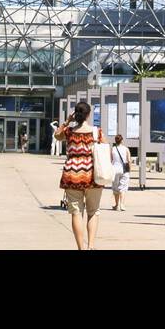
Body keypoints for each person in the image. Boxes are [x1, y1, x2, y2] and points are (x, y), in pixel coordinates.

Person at [54, 100, 105, 249]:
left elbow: (57, 135)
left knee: (76, 213)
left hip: (72, 175)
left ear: (76, 114)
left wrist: (67, 121)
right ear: (88, 115)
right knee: (93, 211)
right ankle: (91, 246)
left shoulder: (69, 132)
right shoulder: (97, 132)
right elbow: (106, 150)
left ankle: (80, 248)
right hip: (93, 175)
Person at [110, 133, 131, 211]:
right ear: (122, 140)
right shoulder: (126, 149)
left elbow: (111, 159)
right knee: (123, 187)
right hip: (124, 170)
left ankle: (116, 205)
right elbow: (129, 160)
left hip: (115, 170)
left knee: (115, 188)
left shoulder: (113, 149)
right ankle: (122, 205)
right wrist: (130, 170)